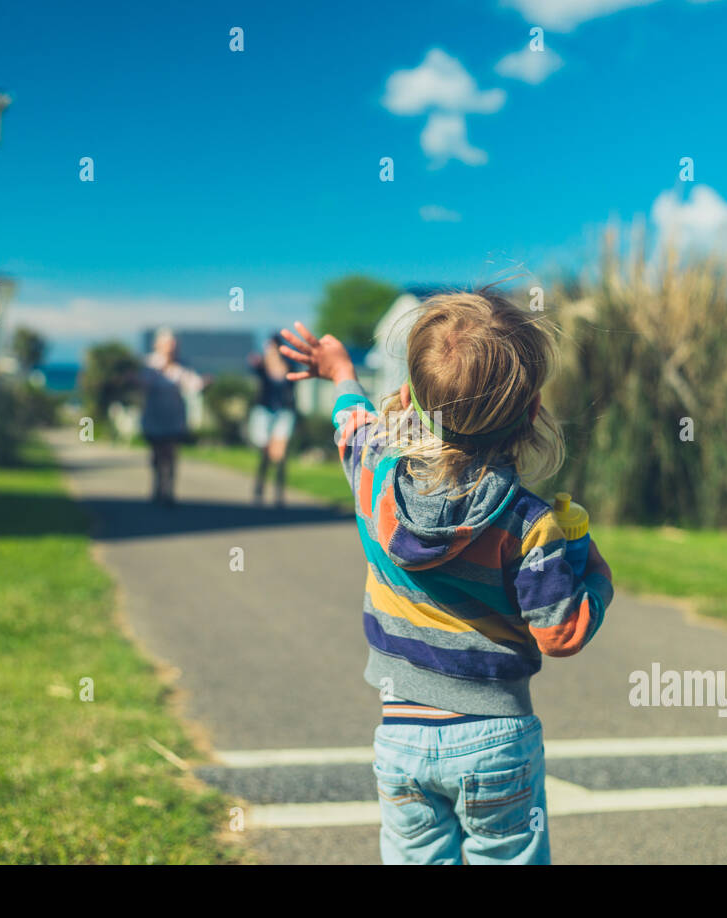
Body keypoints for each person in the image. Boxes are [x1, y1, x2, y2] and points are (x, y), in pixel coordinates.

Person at [278, 291, 613, 865]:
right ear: (531, 414)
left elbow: (350, 421)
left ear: (409, 398)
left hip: (401, 735)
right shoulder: (530, 524)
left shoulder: (376, 478)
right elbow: (563, 635)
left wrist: (340, 372)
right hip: (496, 741)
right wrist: (593, 567)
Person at [138, 329, 205, 506]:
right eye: (168, 344)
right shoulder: (149, 364)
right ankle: (157, 485)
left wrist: (204, 383)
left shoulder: (182, 365)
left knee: (171, 453)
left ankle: (169, 489)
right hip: (154, 415)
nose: (171, 348)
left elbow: (193, 384)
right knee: (157, 454)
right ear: (158, 345)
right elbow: (143, 385)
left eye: (173, 345)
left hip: (174, 416)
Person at [246, 334, 297, 507]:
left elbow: (293, 385)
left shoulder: (289, 366)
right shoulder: (261, 366)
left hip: (283, 412)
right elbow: (254, 371)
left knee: (280, 454)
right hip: (264, 412)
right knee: (265, 452)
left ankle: (278, 493)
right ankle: (259, 489)